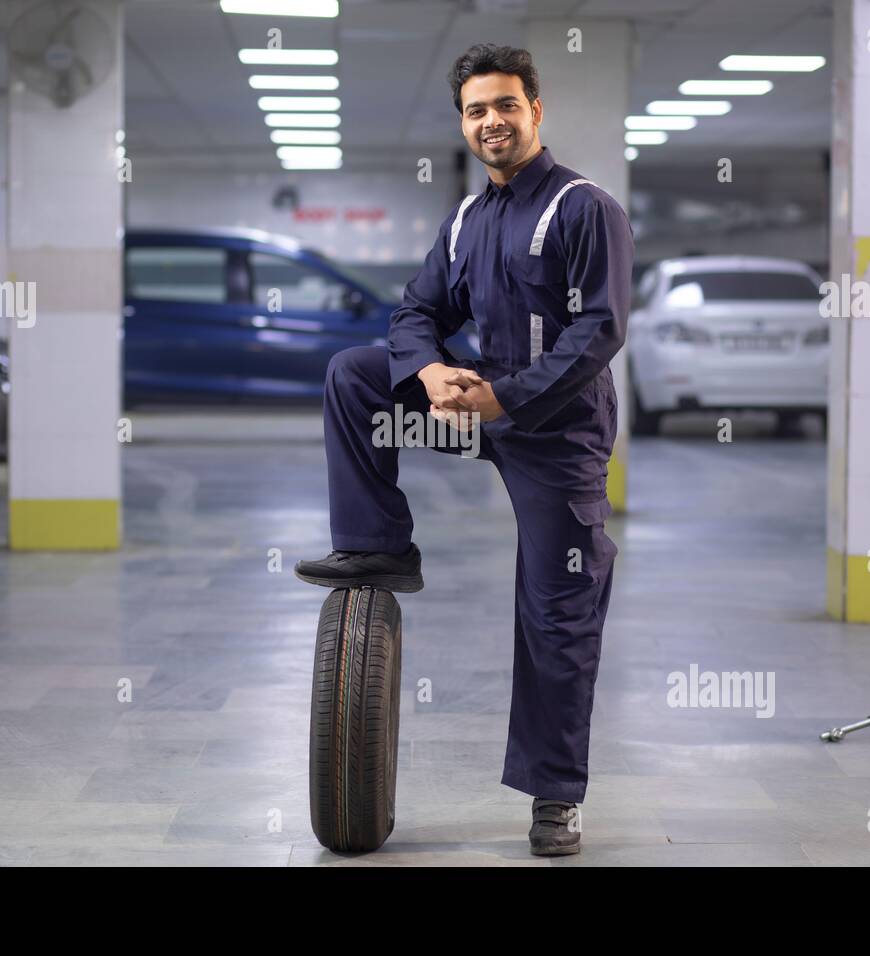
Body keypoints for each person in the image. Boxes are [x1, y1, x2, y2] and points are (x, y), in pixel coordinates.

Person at [294, 42, 633, 856]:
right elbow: (414, 310)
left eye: (506, 105)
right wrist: (433, 370)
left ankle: (554, 798)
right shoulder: (467, 222)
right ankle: (377, 547)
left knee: (558, 612)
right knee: (355, 376)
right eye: (477, 110)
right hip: (474, 403)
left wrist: (507, 396)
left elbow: (602, 327)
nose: (492, 122)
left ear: (535, 112)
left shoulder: (584, 208)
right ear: (464, 122)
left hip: (555, 429)